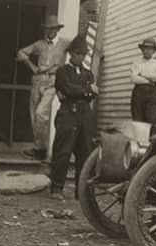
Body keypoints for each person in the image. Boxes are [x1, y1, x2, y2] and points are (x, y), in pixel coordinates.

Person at [48, 38, 97, 200]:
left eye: (83, 54)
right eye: (77, 54)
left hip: (85, 116)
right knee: (63, 151)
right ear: (71, 54)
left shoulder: (88, 73)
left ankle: (81, 192)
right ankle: (56, 188)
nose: (80, 57)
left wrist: (83, 91)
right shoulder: (62, 71)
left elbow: (91, 95)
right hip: (68, 114)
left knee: (85, 153)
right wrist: (87, 90)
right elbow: (66, 89)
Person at [16, 15, 69, 160]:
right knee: (34, 114)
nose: (49, 32)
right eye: (47, 29)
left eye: (52, 29)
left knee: (41, 113)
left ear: (57, 30)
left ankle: (45, 148)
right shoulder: (40, 44)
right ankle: (40, 148)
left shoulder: (65, 43)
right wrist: (32, 66)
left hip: (53, 81)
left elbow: (80, 48)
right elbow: (21, 53)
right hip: (37, 80)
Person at [130, 38, 156, 135]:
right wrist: (149, 80)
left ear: (154, 51)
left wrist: (142, 75)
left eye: (150, 49)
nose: (147, 51)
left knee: (152, 119)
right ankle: (140, 145)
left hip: (152, 93)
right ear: (142, 50)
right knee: (138, 120)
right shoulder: (136, 63)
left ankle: (150, 145)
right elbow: (133, 78)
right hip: (138, 94)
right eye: (145, 48)